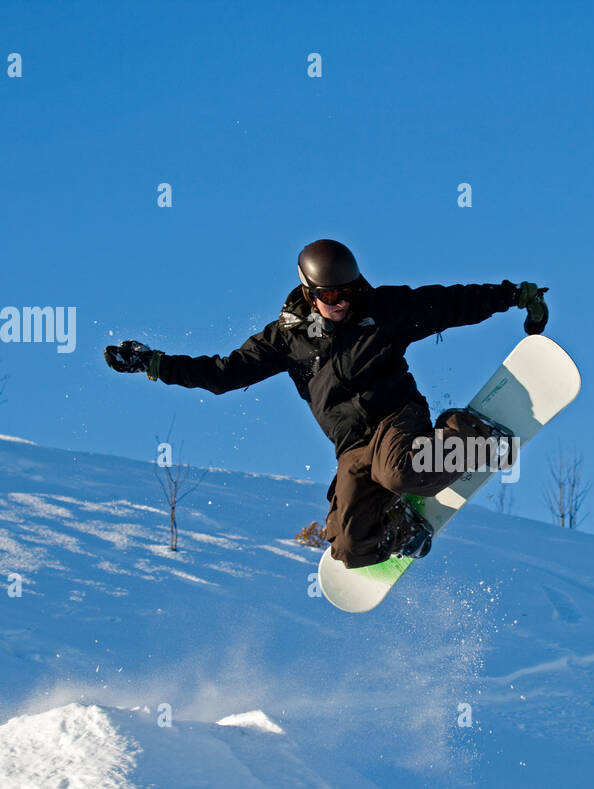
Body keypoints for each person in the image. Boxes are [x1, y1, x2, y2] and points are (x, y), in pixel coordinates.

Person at [104, 239, 548, 568]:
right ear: (309, 293)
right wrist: (156, 363)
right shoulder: (285, 339)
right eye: (330, 297)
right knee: (346, 547)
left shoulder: (383, 309)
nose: (340, 304)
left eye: (348, 293)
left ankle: (470, 436)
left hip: (395, 416)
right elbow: (223, 374)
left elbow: (452, 303)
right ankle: (401, 526)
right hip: (352, 445)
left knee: (397, 472)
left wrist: (514, 295)